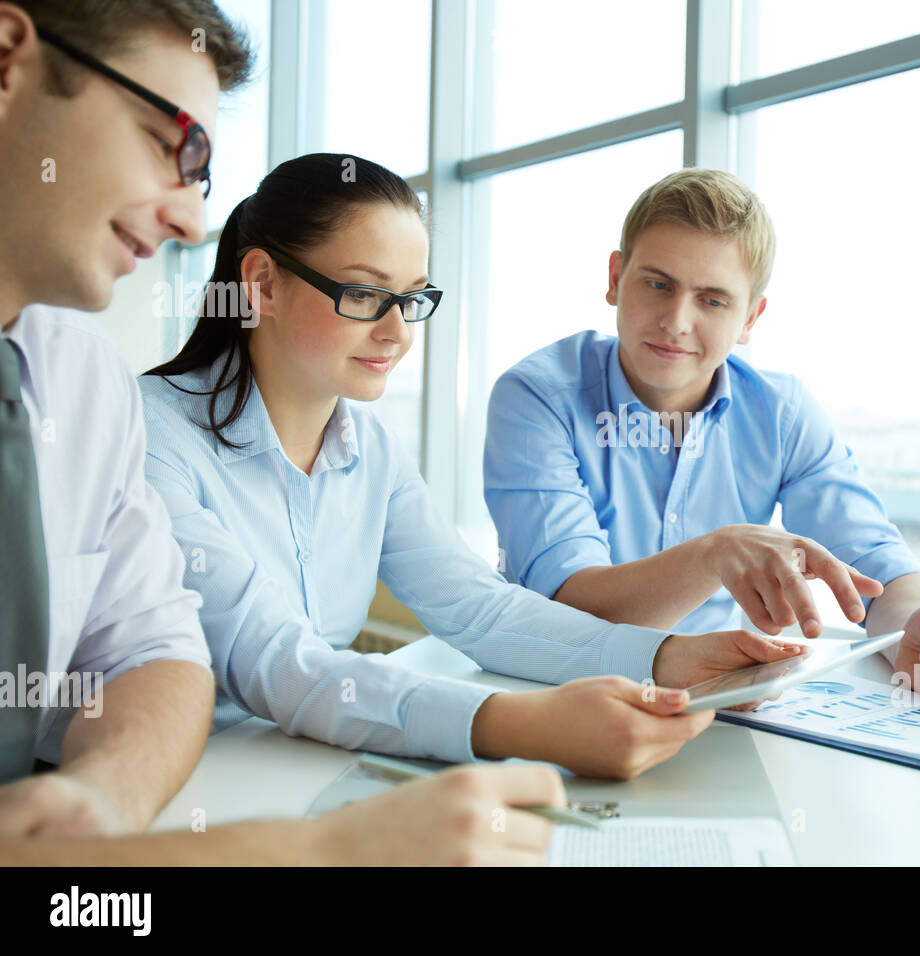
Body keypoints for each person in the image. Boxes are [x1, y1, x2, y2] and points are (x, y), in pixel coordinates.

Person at [0, 0, 559, 866]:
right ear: (8, 59)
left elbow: (156, 650)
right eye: (166, 141)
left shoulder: (81, 380)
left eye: (203, 174)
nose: (190, 220)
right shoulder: (157, 423)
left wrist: (91, 809)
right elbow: (269, 659)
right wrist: (326, 853)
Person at [137, 152, 804, 781]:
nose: (397, 332)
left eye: (413, 299)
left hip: (289, 765)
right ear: (262, 285)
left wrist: (669, 658)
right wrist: (526, 725)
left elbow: (477, 609)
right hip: (167, 786)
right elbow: (278, 664)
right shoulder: (148, 434)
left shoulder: (371, 451)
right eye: (366, 296)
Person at [484, 168, 920, 700]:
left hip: (715, 703)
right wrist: (713, 554)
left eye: (712, 300)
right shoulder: (538, 397)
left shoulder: (781, 412)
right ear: (616, 278)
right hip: (550, 699)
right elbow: (567, 609)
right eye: (658, 284)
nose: (676, 321)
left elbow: (876, 564)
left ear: (751, 316)